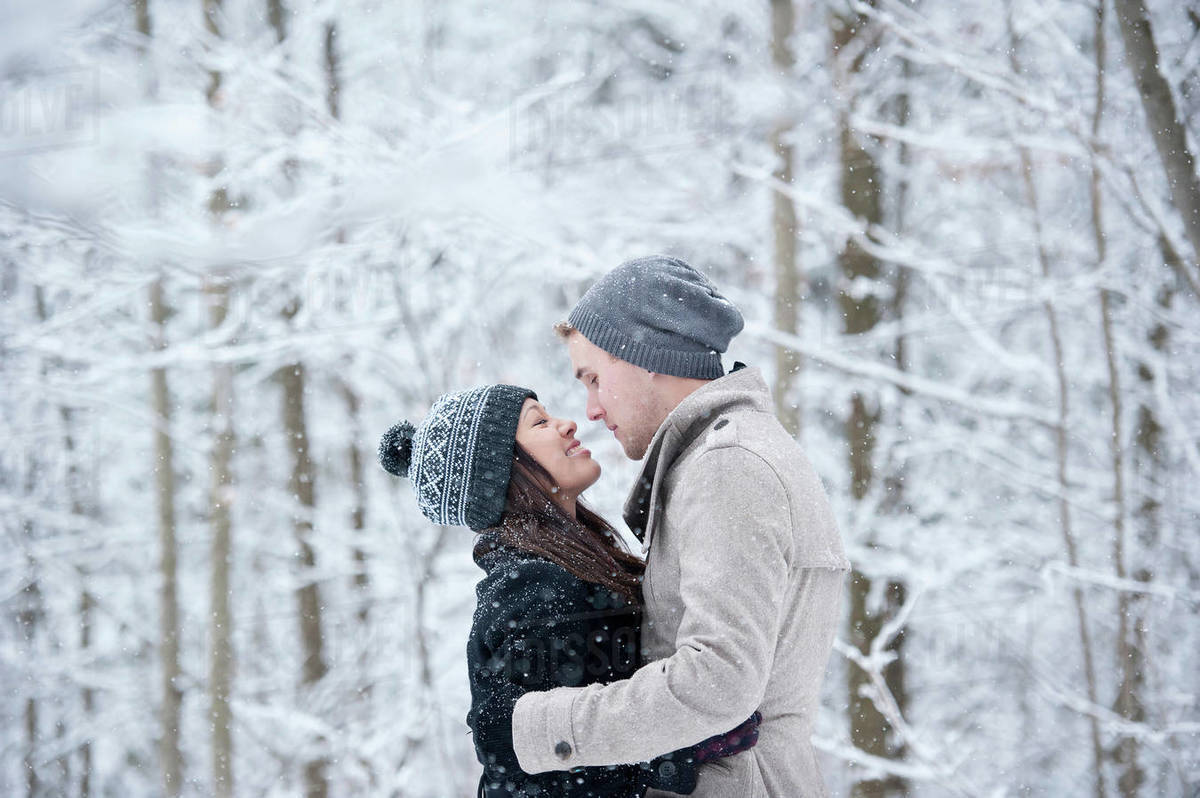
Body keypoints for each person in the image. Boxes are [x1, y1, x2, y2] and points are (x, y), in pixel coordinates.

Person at [508, 255, 851, 797]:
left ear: (646, 356)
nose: (591, 409)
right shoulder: (730, 454)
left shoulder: (727, 465)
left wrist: (536, 727)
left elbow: (717, 680)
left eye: (594, 378)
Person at [378, 384, 760, 797]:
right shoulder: (535, 590)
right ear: (504, 469)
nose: (568, 424)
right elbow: (547, 762)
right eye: (540, 422)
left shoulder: (565, 567)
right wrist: (687, 746)